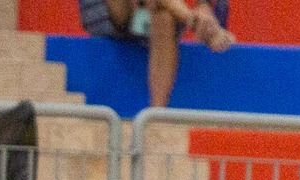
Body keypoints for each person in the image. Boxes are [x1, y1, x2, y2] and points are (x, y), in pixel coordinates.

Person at [80, 0, 234, 111]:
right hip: (109, 12)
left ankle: (156, 115)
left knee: (164, 17)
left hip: (155, 13)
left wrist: (204, 5)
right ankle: (196, 24)